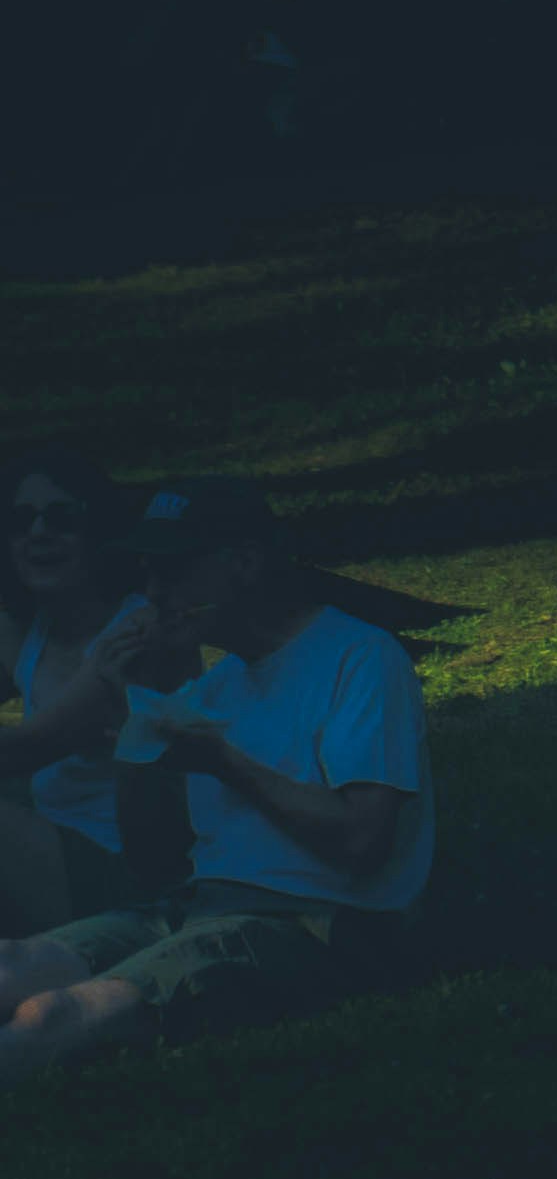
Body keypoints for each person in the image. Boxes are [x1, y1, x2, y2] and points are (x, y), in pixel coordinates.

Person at [0, 478, 436, 1090]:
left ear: (245, 564)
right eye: (148, 573)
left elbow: (363, 841)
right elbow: (154, 864)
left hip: (313, 926)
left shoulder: (358, 657)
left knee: (53, 1017)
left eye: (173, 571)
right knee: (10, 964)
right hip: (193, 908)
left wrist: (224, 762)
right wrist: (137, 718)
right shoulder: (214, 687)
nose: (153, 594)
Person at [0, 452, 160, 933]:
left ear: (100, 531)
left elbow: (25, 750)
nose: (39, 533)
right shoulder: (23, 631)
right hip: (49, 853)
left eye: (62, 518)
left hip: (129, 875)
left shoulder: (139, 628)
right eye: (21, 520)